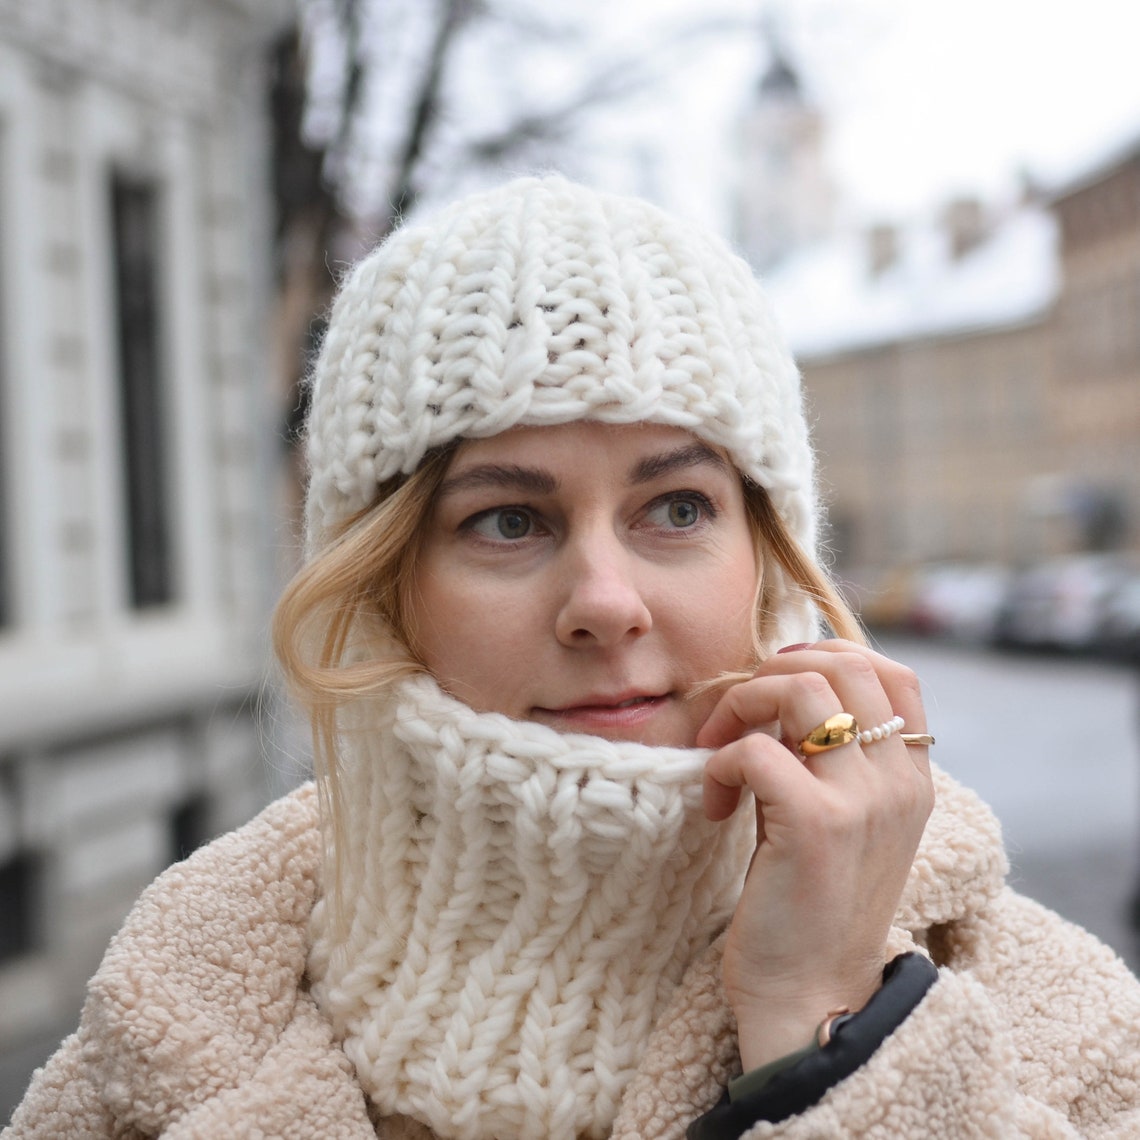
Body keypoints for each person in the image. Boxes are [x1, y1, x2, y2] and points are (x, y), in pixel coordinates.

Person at [6, 175, 1139, 1140]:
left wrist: (831, 1024)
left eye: (678, 507)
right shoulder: (175, 1025)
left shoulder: (1046, 1018)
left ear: (769, 553)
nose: (605, 602)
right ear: (383, 581)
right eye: (509, 521)